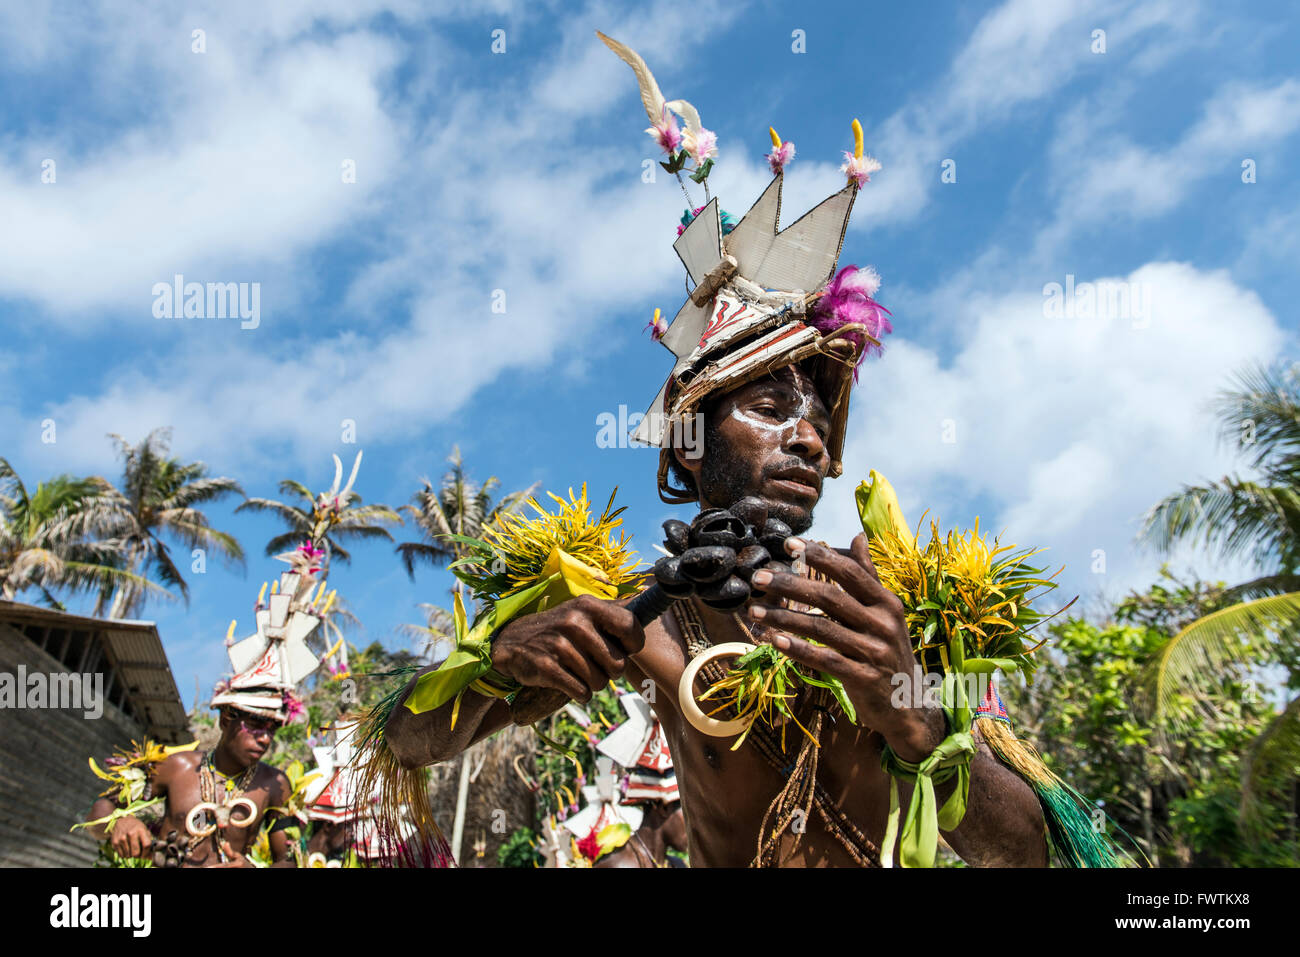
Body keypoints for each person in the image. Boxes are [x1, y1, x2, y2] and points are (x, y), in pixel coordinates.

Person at [376, 33, 1050, 867]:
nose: (807, 434)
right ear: (689, 444)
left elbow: (1028, 852)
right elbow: (406, 743)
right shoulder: (636, 620)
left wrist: (910, 714)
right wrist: (499, 662)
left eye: (816, 419)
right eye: (770, 406)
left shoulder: (893, 604)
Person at [86, 691, 296, 867]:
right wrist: (119, 822)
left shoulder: (275, 785)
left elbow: (290, 859)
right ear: (225, 720)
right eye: (255, 725)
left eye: (272, 729)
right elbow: (98, 811)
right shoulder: (176, 767)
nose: (265, 739)